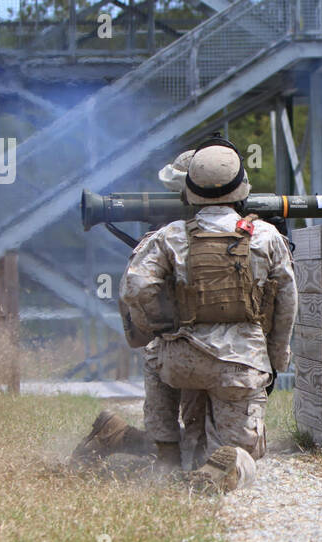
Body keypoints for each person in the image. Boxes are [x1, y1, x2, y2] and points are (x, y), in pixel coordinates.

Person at [114, 132, 296, 493]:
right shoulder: (265, 236)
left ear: (189, 191)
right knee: (243, 455)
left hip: (181, 364)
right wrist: (276, 357)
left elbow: (134, 288)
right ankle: (227, 466)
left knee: (154, 356)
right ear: (242, 188)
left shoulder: (170, 236)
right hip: (240, 367)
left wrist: (162, 327)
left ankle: (166, 455)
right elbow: (287, 302)